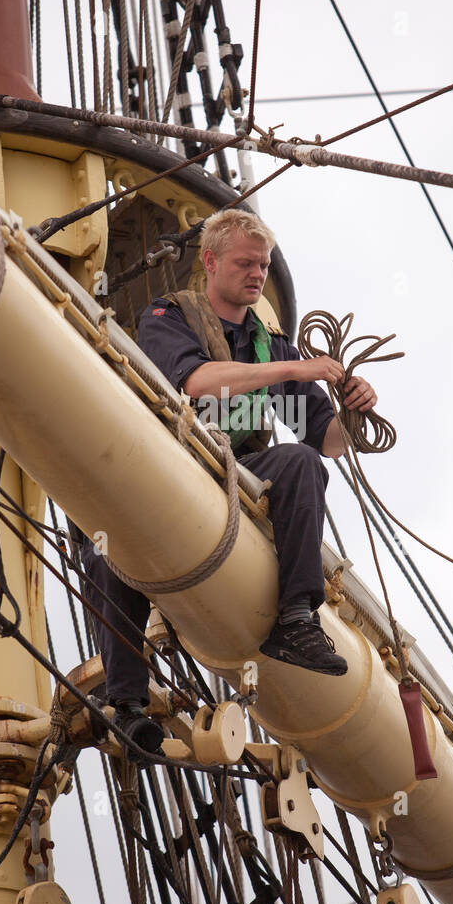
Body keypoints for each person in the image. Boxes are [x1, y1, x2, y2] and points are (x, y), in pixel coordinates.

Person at [77, 207, 378, 754]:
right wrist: (294, 370)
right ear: (210, 262)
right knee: (108, 541)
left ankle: (296, 619)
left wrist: (352, 415)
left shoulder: (270, 345)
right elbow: (198, 382)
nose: (258, 274)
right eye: (245, 263)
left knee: (301, 464)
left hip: (230, 480)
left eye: (263, 266)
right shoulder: (170, 315)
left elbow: (326, 441)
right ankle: (126, 705)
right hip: (167, 468)